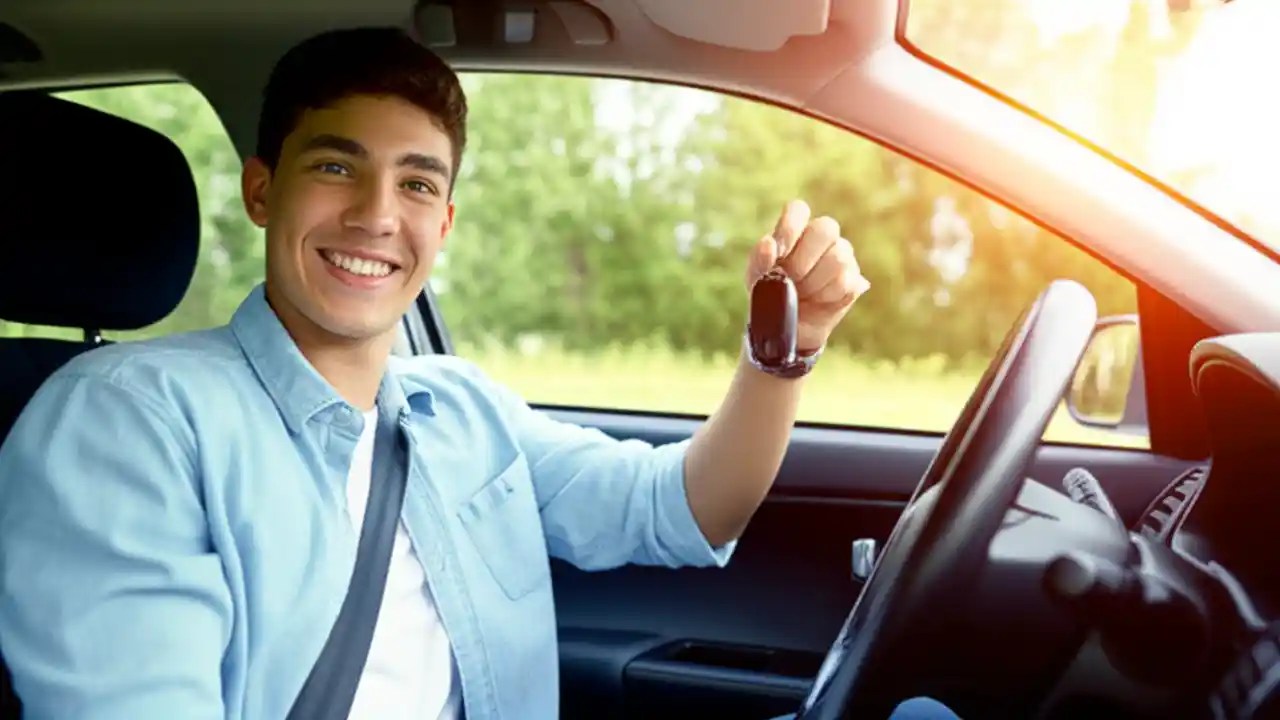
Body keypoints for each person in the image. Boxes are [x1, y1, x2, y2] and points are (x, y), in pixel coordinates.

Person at [0, 26, 957, 720]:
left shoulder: (459, 409)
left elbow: (684, 510)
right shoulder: (126, 423)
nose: (378, 215)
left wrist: (782, 355)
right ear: (262, 190)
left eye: (417, 183)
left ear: (444, 223)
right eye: (336, 168)